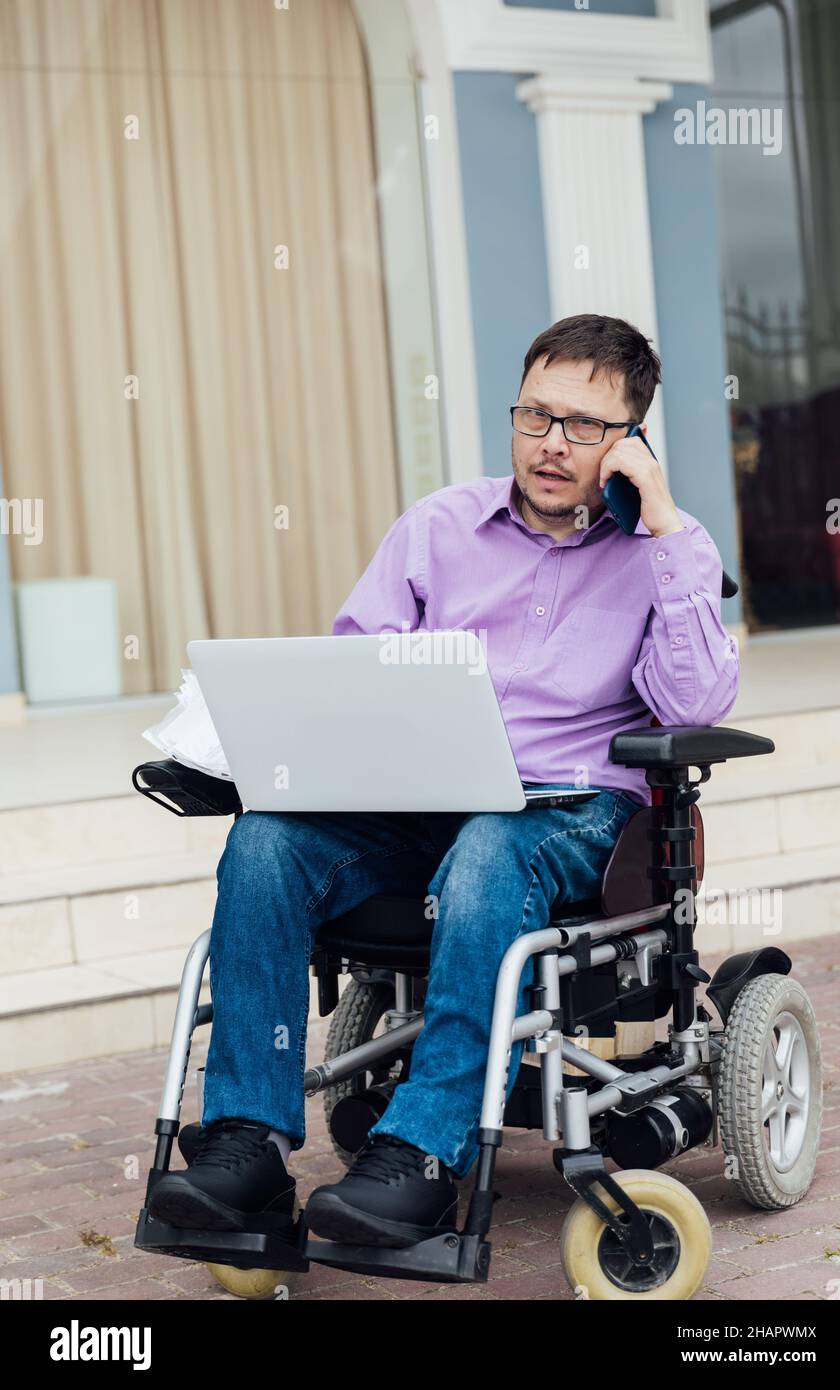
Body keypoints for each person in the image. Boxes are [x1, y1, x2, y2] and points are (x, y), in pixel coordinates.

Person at [148, 313, 739, 1248]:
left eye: (585, 426)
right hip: (415, 803)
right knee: (265, 840)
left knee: (488, 852)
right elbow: (354, 671)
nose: (552, 444)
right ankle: (244, 1144)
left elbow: (697, 700)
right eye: (536, 415)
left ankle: (425, 1152)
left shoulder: (669, 549)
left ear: (631, 442)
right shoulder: (439, 526)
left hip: (567, 812)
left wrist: (662, 524)